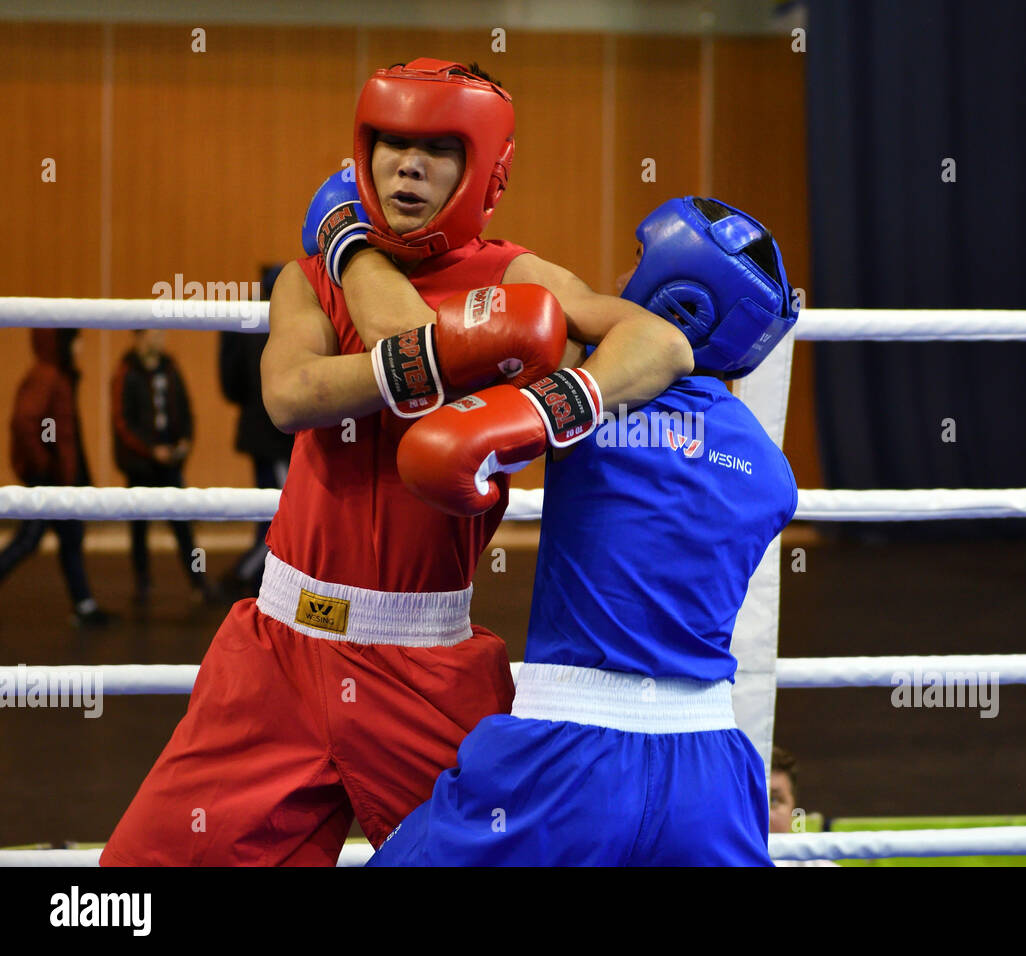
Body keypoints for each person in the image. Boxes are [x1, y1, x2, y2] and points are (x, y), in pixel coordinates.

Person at [101, 58, 692, 866]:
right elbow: (290, 395)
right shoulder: (311, 280)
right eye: (389, 143)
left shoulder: (515, 277)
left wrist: (540, 407)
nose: (406, 164)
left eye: (436, 147)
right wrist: (427, 353)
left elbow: (661, 342)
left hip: (423, 662)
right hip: (278, 651)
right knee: (145, 870)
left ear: (487, 167)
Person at [370, 196, 799, 866]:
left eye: (639, 261)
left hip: (569, 750)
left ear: (680, 296)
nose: (624, 279)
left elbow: (414, 336)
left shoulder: (586, 385)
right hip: (710, 766)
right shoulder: (774, 477)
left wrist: (350, 240)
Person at [0, 329, 109, 627]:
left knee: (70, 537)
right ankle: (84, 604)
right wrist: (43, 466)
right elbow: (25, 421)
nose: (81, 346)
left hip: (58, 479)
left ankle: (84, 604)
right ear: (63, 342)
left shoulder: (56, 375)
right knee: (28, 540)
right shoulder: (47, 376)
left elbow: (59, 430)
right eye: (76, 339)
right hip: (49, 479)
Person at [111, 328, 213, 603]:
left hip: (170, 462)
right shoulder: (126, 372)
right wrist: (149, 450)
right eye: (153, 333)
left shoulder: (170, 368)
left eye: (160, 333)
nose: (160, 338)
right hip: (140, 466)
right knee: (139, 528)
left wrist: (185, 441)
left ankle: (199, 582)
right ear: (139, 336)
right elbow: (122, 423)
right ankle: (142, 584)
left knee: (183, 527)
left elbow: (185, 407)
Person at [217, 264, 295, 598]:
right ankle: (242, 576)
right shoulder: (289, 321)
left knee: (272, 509)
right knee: (284, 513)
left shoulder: (245, 321)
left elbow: (230, 382)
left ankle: (253, 576)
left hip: (261, 433)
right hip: (279, 435)